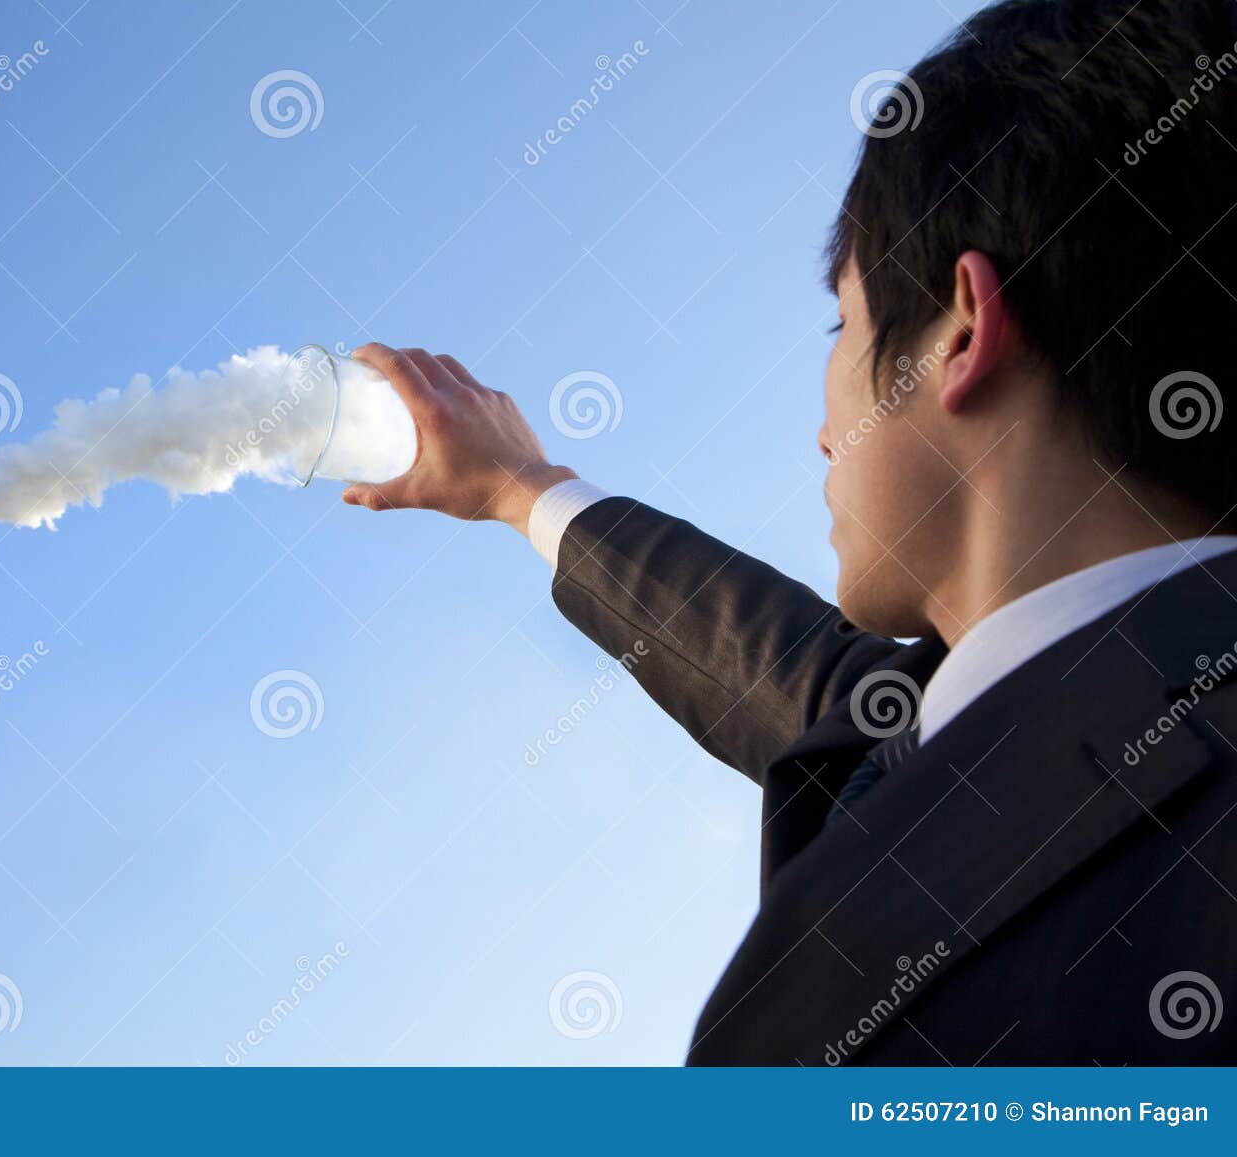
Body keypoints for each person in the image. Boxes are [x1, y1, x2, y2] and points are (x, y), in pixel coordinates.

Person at [342, 0, 1237, 1064]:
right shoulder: (950, 723)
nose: (820, 431)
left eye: (841, 323)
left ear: (958, 333)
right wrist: (517, 486)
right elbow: (797, 679)